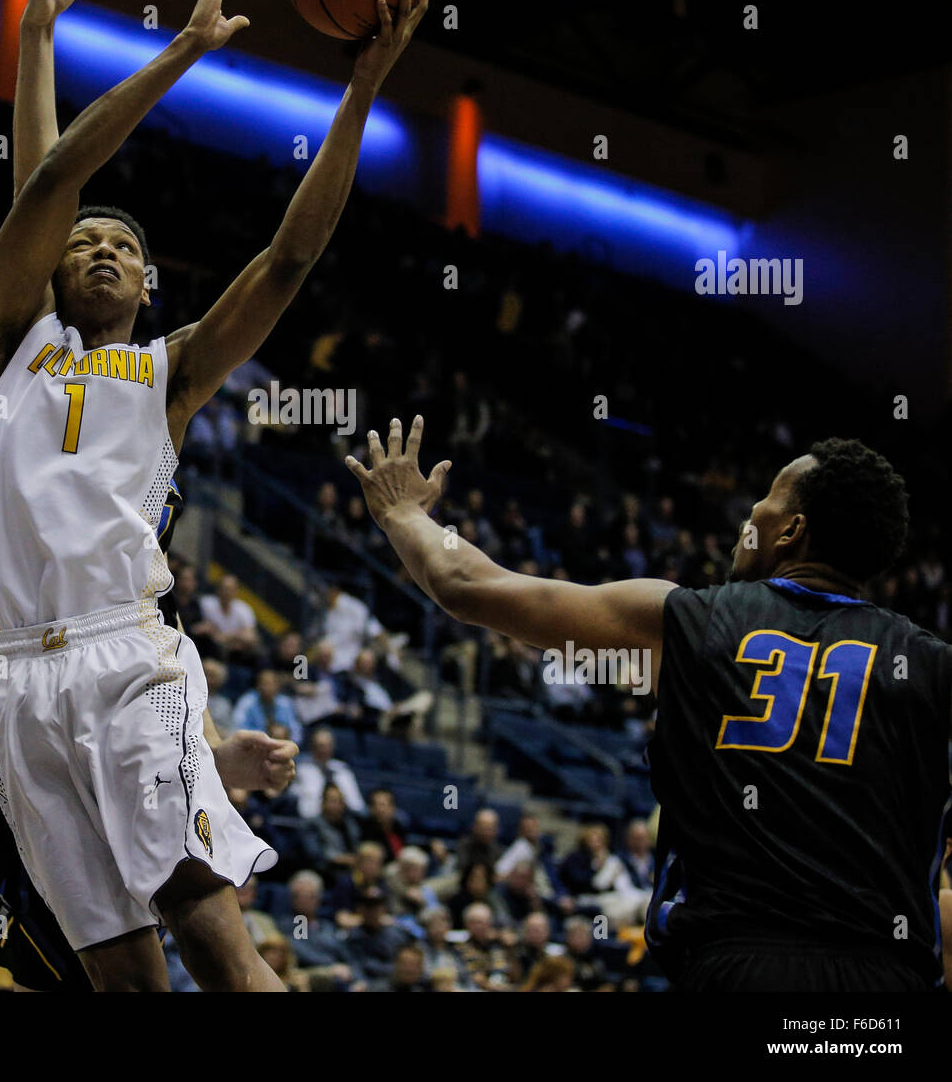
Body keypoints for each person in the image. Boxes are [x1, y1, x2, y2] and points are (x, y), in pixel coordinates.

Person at [0, 0, 424, 992]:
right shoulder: (6, 351)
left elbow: (291, 253)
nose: (103, 252)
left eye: (124, 245)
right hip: (15, 686)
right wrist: (37, 43)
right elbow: (45, 185)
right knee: (127, 982)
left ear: (152, 278)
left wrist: (357, 92)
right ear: (48, 274)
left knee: (212, 930)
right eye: (85, 245)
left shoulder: (173, 370)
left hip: (129, 660)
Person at [348, 419, 950, 992]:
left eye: (764, 501)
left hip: (736, 965)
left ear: (791, 531)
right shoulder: (931, 667)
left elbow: (469, 585)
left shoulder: (690, 621)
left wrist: (403, 513)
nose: (750, 513)